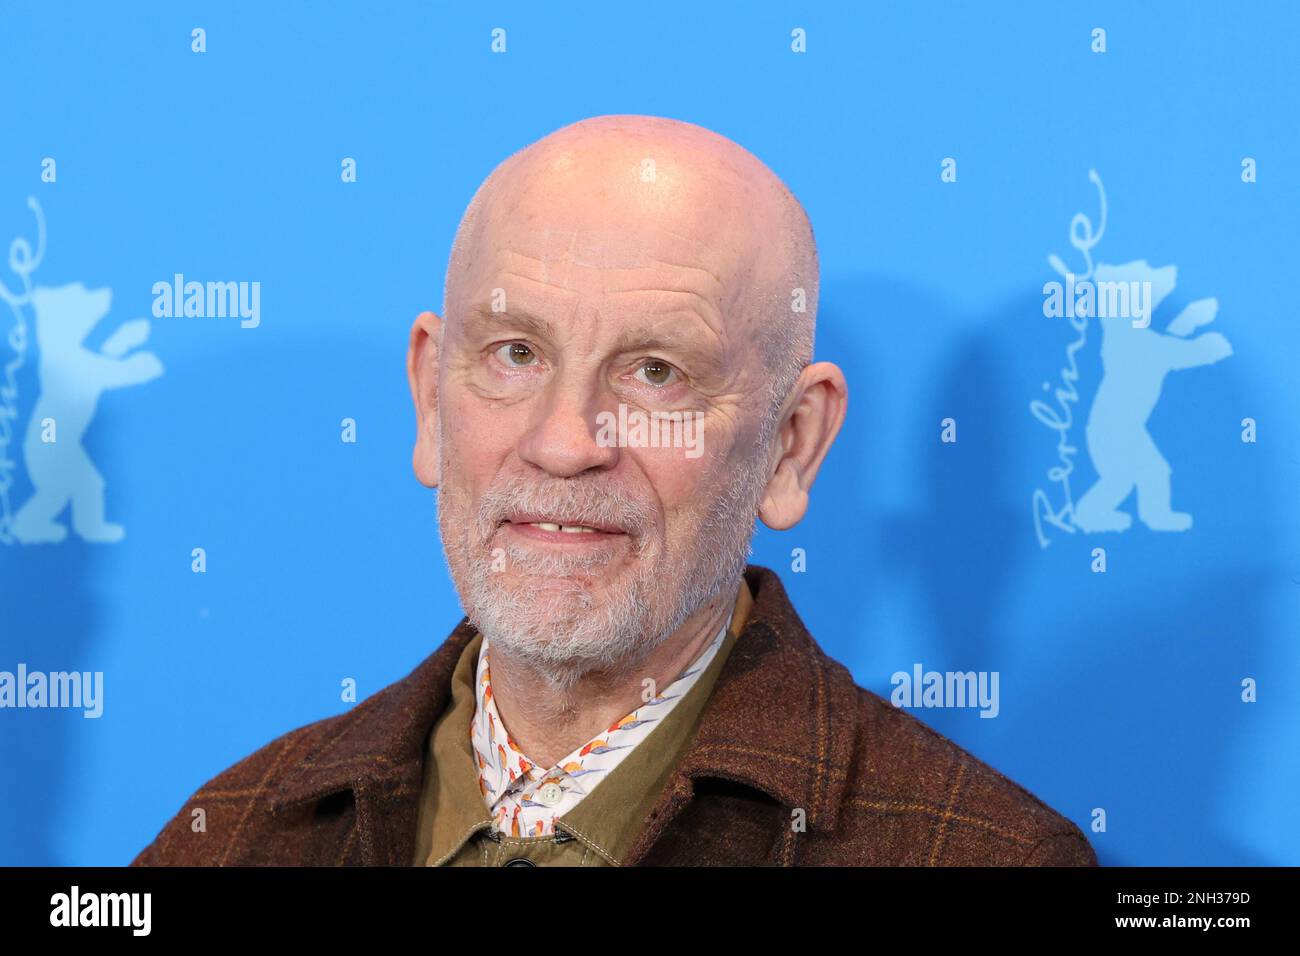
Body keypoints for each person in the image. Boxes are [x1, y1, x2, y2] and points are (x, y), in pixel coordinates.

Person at [132, 115, 1096, 866]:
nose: (563, 444)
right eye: (515, 355)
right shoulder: (232, 834)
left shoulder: (983, 854)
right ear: (430, 398)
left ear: (789, 446)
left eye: (657, 373)